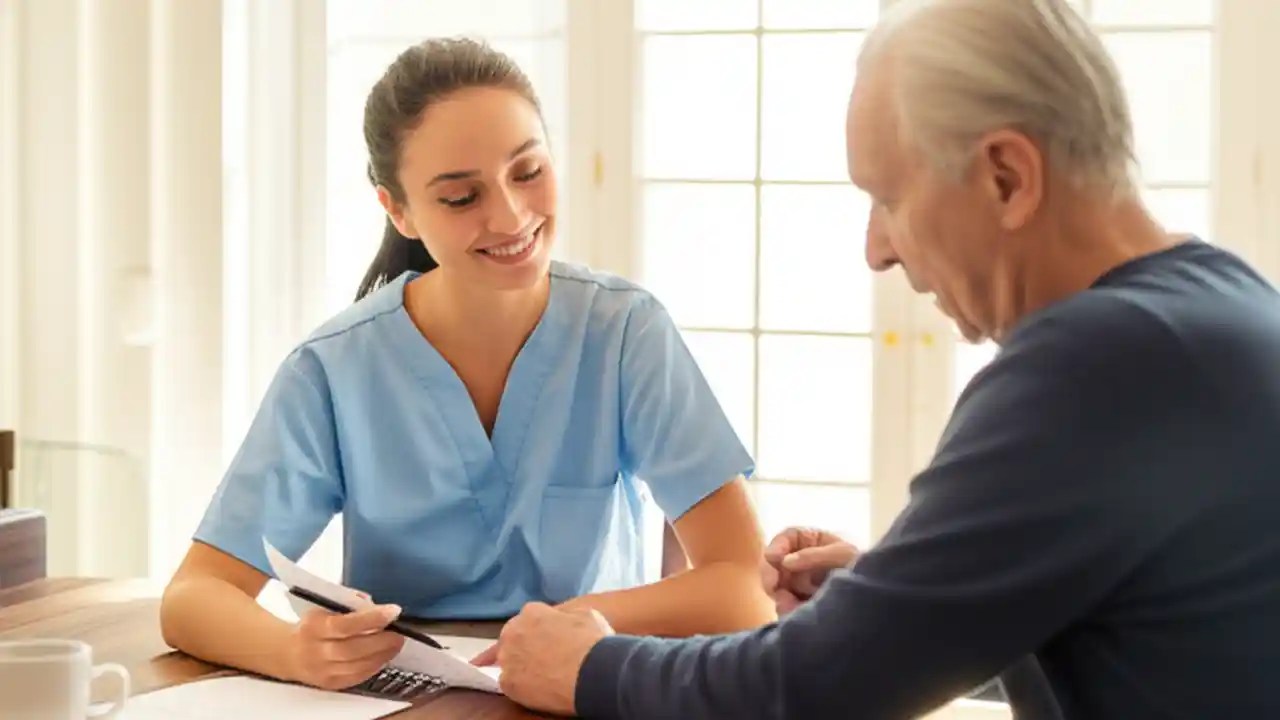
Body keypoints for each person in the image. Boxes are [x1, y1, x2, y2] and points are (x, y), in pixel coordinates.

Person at [490, 0, 1280, 717]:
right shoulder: (1224, 301)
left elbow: (811, 693)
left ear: (1008, 177)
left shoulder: (1093, 366)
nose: (876, 252)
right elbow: (1149, 632)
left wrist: (592, 667)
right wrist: (906, 601)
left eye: (890, 200)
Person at [158, 37, 775, 691]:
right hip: (410, 702)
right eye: (460, 198)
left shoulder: (625, 334)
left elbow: (742, 586)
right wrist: (294, 651)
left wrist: (562, 629)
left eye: (528, 171)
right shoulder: (334, 370)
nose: (510, 215)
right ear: (399, 211)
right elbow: (194, 595)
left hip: (586, 688)